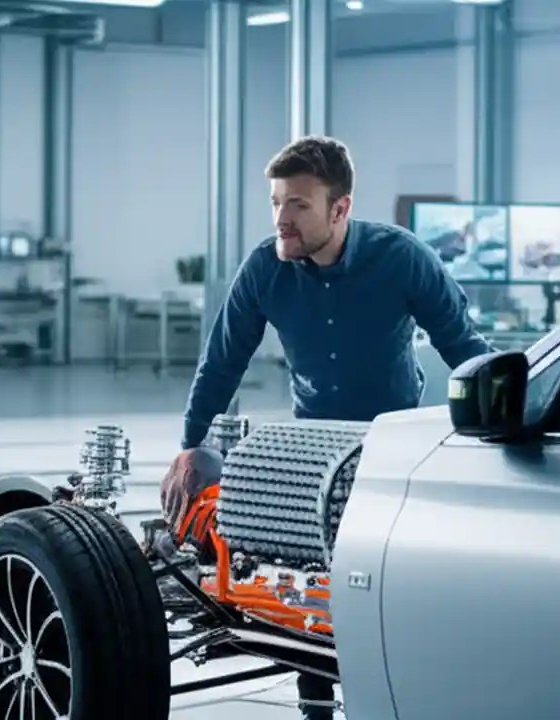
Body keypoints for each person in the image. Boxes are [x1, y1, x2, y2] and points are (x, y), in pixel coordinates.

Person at [179, 135, 493, 719]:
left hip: (393, 447)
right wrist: (193, 446)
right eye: (276, 202)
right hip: (314, 445)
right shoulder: (265, 268)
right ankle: (316, 704)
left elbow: (464, 346)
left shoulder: (401, 257)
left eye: (298, 205)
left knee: (383, 581)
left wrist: (511, 410)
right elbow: (223, 360)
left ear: (340, 208)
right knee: (310, 579)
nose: (282, 219)